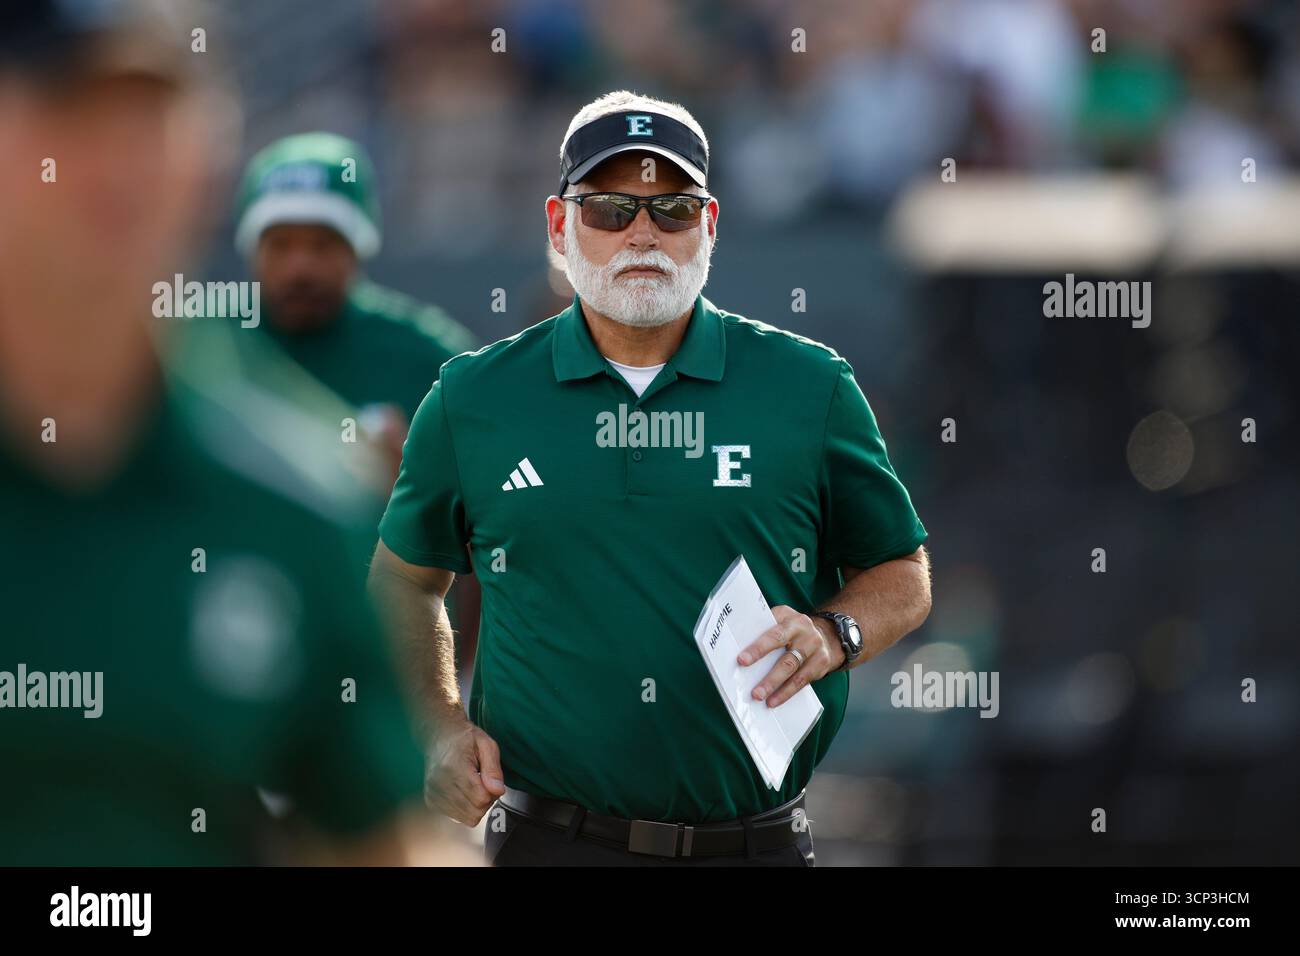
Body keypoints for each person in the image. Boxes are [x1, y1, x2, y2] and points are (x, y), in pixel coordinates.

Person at [368, 90, 932, 866]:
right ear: (561, 226)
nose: (642, 233)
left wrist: (835, 634)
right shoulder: (474, 398)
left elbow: (903, 572)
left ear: (709, 225)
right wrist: (435, 727)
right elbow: (402, 582)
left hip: (755, 844)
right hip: (548, 842)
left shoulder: (810, 387)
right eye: (609, 208)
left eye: (670, 208)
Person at [0, 0, 456, 866]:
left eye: (151, 112)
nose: (116, 160)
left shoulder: (296, 496)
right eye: (69, 106)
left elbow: (381, 842)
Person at [233, 131, 481, 672]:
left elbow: (497, 534)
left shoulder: (431, 359)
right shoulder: (207, 351)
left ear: (359, 245)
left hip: (381, 662)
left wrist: (416, 499)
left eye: (322, 244)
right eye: (281, 244)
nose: (300, 266)